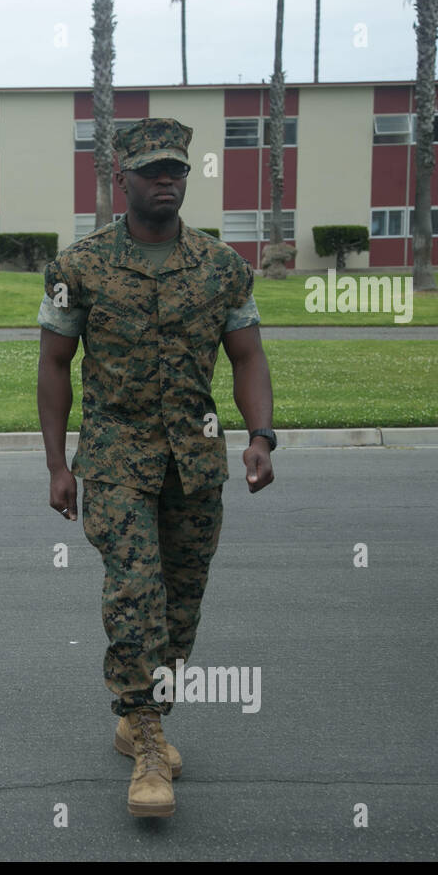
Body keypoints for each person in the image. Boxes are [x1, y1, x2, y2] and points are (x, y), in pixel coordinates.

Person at [36, 118, 275, 819]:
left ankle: (143, 713)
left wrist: (261, 433)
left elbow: (249, 356)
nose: (166, 181)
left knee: (180, 609)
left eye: (176, 169)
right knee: (136, 595)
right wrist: (57, 465)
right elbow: (54, 365)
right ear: (122, 179)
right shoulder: (78, 267)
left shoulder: (221, 267)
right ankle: (147, 749)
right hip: (115, 459)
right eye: (152, 171)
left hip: (195, 463)